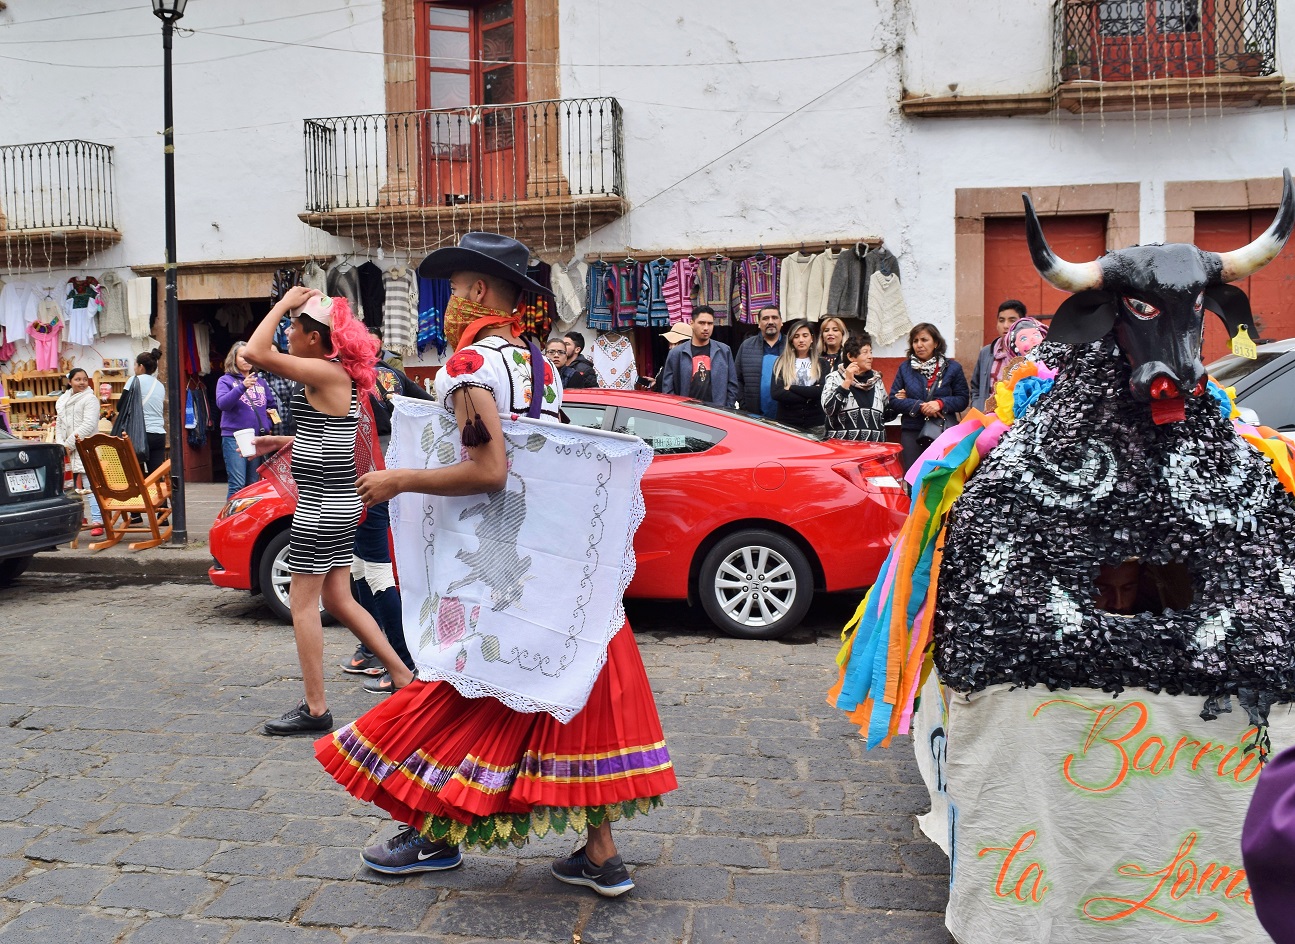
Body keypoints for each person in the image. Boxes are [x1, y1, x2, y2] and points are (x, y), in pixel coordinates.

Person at [316, 231, 676, 896]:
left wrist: (399, 481)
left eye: (453, 291)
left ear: (477, 292)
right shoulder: (537, 365)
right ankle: (601, 854)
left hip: (497, 563)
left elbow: (489, 469)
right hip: (556, 563)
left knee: (462, 687)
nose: (448, 304)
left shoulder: (469, 368)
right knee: (564, 697)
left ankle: (432, 834)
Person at [243, 288, 415, 736]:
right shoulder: (335, 375)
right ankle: (402, 676)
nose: (287, 334)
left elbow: (254, 352)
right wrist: (282, 443)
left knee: (303, 606)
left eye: (293, 328)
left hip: (322, 507)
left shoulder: (324, 372)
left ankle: (316, 709)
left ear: (315, 339)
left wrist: (280, 303)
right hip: (337, 503)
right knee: (338, 598)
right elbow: (331, 439)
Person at [342, 346, 431, 692]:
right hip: (387, 461)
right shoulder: (385, 372)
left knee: (374, 568)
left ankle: (401, 662)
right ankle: (374, 648)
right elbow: (427, 403)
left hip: (365, 466)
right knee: (361, 565)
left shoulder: (345, 375)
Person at [889, 323, 969, 471]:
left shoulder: (952, 368)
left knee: (940, 478)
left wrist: (940, 403)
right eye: (915, 341)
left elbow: (963, 399)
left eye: (924, 340)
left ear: (936, 343)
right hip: (912, 431)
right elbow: (894, 400)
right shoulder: (905, 368)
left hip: (942, 430)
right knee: (914, 478)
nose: (919, 345)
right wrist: (920, 406)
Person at [215, 341, 280, 500]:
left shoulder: (261, 382)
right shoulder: (226, 380)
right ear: (234, 359)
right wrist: (242, 387)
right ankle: (230, 522)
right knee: (237, 483)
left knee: (253, 484)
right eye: (241, 356)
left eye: (248, 356)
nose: (245, 360)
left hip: (256, 438)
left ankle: (247, 522)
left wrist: (268, 423)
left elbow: (271, 406)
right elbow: (222, 404)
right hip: (234, 437)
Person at [55, 368, 104, 537]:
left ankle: (98, 520)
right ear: (70, 381)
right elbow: (59, 425)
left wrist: (69, 444)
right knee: (70, 488)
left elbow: (88, 425)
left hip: (85, 448)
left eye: (84, 379)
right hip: (68, 450)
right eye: (77, 379)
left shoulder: (90, 399)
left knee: (90, 486)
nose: (82, 382)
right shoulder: (62, 400)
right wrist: (61, 445)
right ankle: (80, 517)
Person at [659, 306, 737, 407]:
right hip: (687, 414)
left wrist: (727, 407)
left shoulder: (724, 351)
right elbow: (668, 388)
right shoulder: (676, 353)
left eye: (710, 323)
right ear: (692, 323)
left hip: (717, 413)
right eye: (701, 323)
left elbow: (732, 385)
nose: (706, 328)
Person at [821, 332, 887, 442]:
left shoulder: (876, 380)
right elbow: (829, 409)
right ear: (851, 357)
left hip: (874, 448)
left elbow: (886, 413)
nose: (870, 356)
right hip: (843, 449)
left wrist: (900, 400)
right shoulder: (834, 378)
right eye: (865, 352)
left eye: (870, 352)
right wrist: (847, 382)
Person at [968, 299, 1025, 411]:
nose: (1006, 325)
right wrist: (977, 405)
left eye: (1012, 320)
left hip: (1014, 416)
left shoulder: (1028, 353)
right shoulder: (986, 352)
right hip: (986, 416)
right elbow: (976, 386)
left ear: (1022, 323)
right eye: (1001, 320)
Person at [770, 318, 825, 432]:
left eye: (805, 335)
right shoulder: (781, 362)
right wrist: (810, 394)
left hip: (816, 424)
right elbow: (777, 393)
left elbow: (822, 392)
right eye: (796, 336)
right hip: (787, 424)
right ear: (791, 340)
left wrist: (791, 388)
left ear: (812, 339)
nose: (801, 340)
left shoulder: (822, 363)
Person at [734, 306, 784, 416]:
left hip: (786, 416)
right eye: (765, 318)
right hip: (754, 415)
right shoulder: (747, 346)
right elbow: (736, 378)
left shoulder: (790, 346)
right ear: (759, 324)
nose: (770, 322)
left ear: (781, 322)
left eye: (774, 318)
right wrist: (743, 404)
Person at [124, 349, 167, 477]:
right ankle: (160, 497)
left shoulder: (134, 380)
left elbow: (122, 406)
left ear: (140, 367)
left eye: (135, 365)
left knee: (137, 476)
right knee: (155, 476)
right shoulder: (160, 385)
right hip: (158, 434)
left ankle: (141, 497)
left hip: (139, 435)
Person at [639, 322, 691, 391]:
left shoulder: (687, 364)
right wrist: (656, 382)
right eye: (670, 344)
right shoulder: (672, 360)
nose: (670, 347)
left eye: (674, 344)